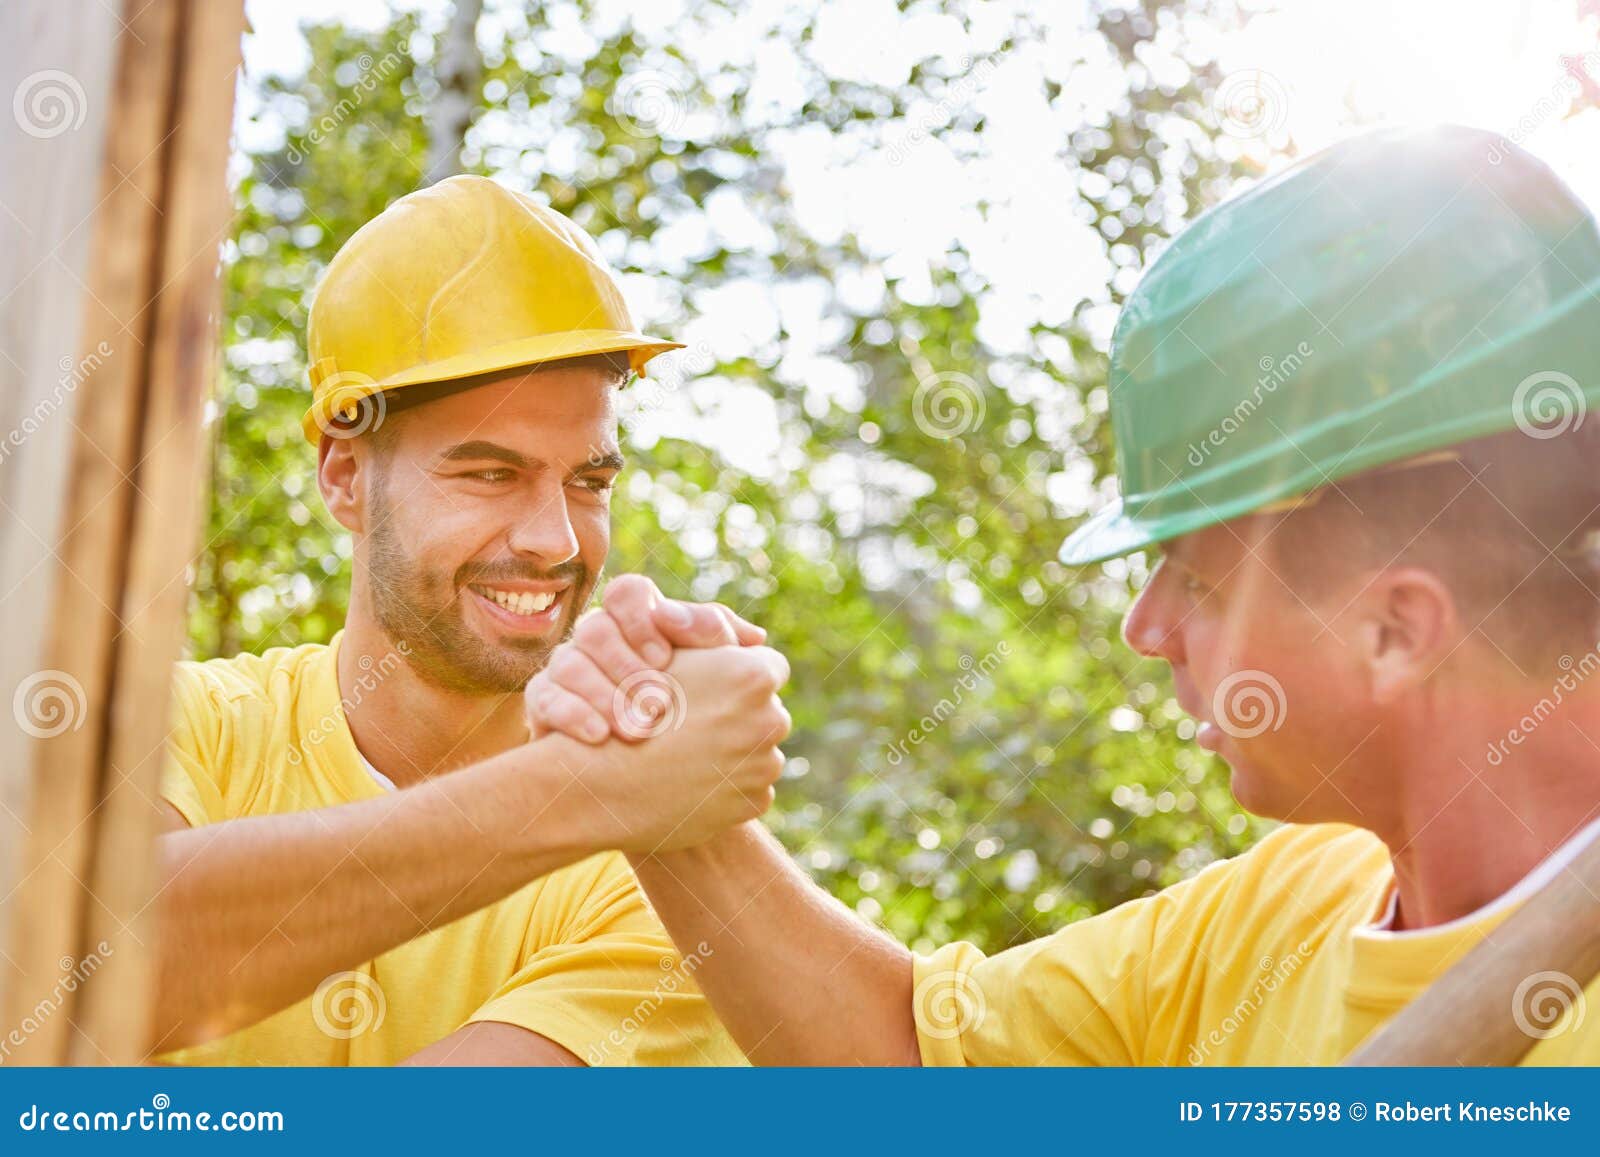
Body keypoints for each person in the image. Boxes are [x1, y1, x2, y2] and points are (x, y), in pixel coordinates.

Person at [527, 125, 1600, 1064]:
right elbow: (907, 1062)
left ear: (1394, 628)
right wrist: (673, 809)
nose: (1147, 628)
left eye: (1194, 578)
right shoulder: (1290, 906)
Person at [153, 176, 790, 1065]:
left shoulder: (655, 885)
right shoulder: (181, 729)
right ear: (344, 476)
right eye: (489, 473)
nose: (555, 539)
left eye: (589, 481)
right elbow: (76, 971)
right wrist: (588, 791)